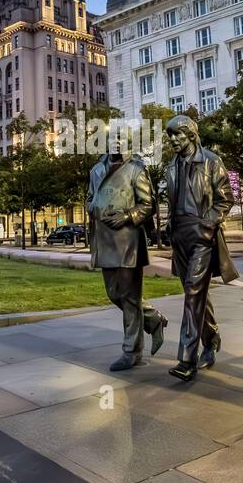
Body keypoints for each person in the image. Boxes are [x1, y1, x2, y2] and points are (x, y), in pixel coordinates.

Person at [163, 115, 237, 382]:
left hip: (202, 236)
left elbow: (225, 198)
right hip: (180, 236)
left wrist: (208, 224)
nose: (172, 140)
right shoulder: (171, 166)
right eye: (169, 135)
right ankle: (211, 336)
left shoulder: (211, 161)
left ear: (191, 135)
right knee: (195, 293)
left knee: (193, 292)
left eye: (177, 135)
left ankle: (186, 358)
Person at [87, 148, 167, 370]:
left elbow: (148, 204)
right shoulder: (96, 169)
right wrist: (93, 208)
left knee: (130, 297)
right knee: (113, 294)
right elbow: (89, 198)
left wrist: (126, 216)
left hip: (127, 240)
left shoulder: (136, 168)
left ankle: (131, 352)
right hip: (104, 240)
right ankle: (153, 319)